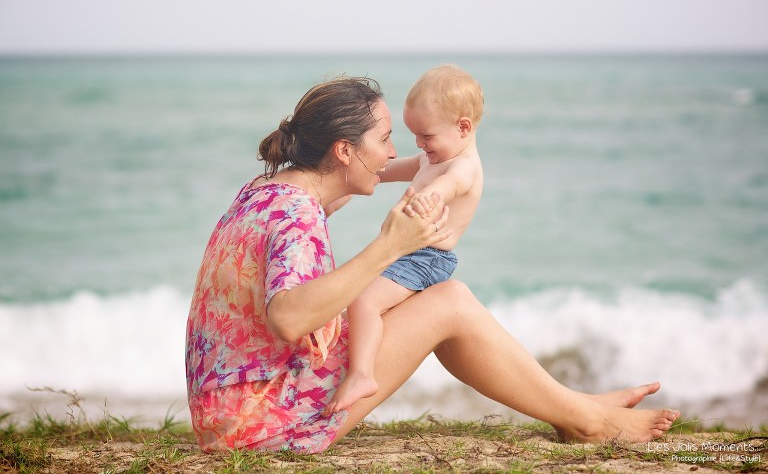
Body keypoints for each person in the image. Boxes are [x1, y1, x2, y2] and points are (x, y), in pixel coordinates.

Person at [184, 76, 680, 454]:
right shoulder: (297, 213)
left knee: (446, 299)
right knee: (451, 303)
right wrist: (388, 246)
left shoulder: (271, 193)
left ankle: (577, 408)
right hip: (258, 422)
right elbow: (288, 317)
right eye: (384, 139)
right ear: (344, 150)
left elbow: (299, 257)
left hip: (227, 406)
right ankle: (588, 420)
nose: (395, 153)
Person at [325, 65, 485, 414]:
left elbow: (450, 186)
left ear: (463, 127)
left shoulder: (463, 167)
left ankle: (363, 375)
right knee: (364, 303)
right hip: (410, 254)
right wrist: (347, 183)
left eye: (426, 136)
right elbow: (385, 173)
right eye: (414, 135)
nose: (418, 144)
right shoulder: (435, 157)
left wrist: (429, 197)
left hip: (426, 259)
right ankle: (351, 369)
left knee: (363, 302)